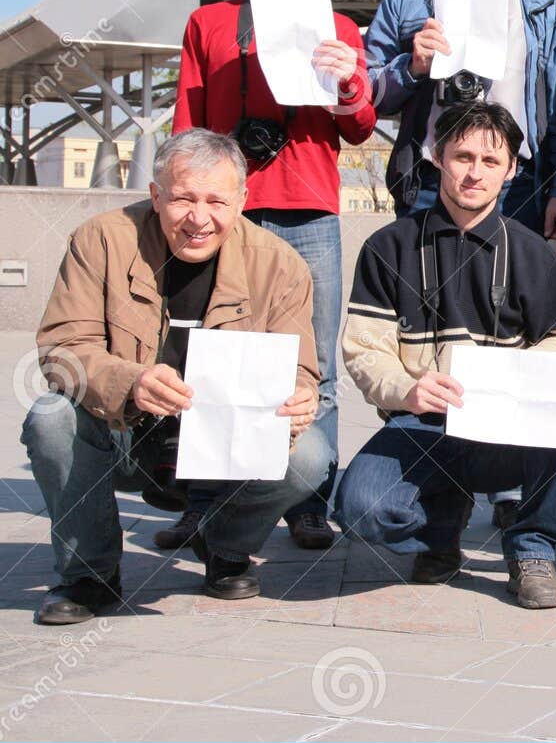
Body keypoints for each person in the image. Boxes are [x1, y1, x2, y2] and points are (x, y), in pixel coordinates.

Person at [24, 130, 332, 624]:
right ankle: (90, 575)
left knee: (311, 456)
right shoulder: (100, 240)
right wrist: (131, 381)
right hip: (126, 430)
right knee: (51, 417)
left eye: (216, 201)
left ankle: (224, 547)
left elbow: (300, 367)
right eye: (183, 198)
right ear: (155, 195)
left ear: (242, 201)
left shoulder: (281, 265)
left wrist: (300, 396)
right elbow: (61, 349)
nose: (199, 217)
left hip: (225, 441)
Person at [365, 0, 556, 529]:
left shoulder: (542, 6)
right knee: (429, 338)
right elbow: (366, 92)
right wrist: (411, 66)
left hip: (518, 191)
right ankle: (441, 479)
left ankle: (510, 480)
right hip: (432, 186)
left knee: (512, 334)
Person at [168, 0, 376, 552]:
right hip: (231, 211)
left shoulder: (340, 31)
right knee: (213, 357)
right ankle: (202, 500)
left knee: (315, 362)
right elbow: (186, 122)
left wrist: (348, 83)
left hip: (312, 207)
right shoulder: (209, 24)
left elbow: (361, 127)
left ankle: (310, 501)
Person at [333, 101, 556, 610]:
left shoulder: (529, 251)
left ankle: (532, 546)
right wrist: (406, 389)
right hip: (424, 423)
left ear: (512, 170)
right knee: (361, 511)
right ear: (437, 156)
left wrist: (519, 375)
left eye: (491, 161)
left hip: (506, 428)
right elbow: (365, 349)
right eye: (463, 156)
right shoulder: (388, 247)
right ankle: (439, 528)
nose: (475, 173)